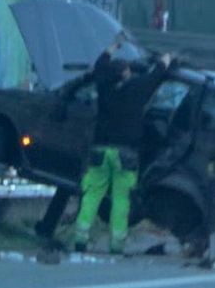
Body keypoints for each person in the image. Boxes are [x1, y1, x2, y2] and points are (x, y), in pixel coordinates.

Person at [63, 38, 177, 256]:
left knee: (92, 195)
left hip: (100, 150)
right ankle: (116, 245)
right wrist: (167, 58)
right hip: (126, 154)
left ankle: (80, 239)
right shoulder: (137, 89)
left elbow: (99, 66)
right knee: (121, 200)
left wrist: (112, 47)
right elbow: (157, 74)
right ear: (126, 73)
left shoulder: (104, 88)